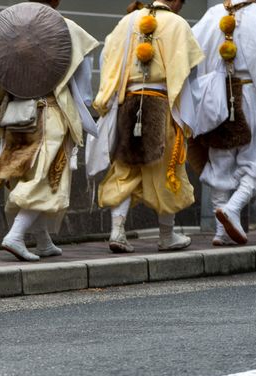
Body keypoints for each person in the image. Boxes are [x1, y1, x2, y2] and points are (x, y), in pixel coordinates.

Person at [0, 0, 100, 262]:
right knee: (48, 177)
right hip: (50, 112)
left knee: (22, 172)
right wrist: (80, 109)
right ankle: (15, 235)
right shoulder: (69, 29)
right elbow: (83, 82)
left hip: (16, 113)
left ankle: (43, 241)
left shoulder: (7, 28)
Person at [92, 0, 205, 254]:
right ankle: (167, 235)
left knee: (124, 169)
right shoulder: (178, 24)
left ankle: (117, 231)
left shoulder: (127, 22)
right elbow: (192, 69)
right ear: (175, 1)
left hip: (128, 104)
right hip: (161, 105)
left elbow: (106, 57)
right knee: (168, 170)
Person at [190, 0, 256, 246]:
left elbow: (193, 55)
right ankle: (233, 208)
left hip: (217, 95)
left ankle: (220, 232)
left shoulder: (211, 15)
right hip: (252, 93)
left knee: (220, 160)